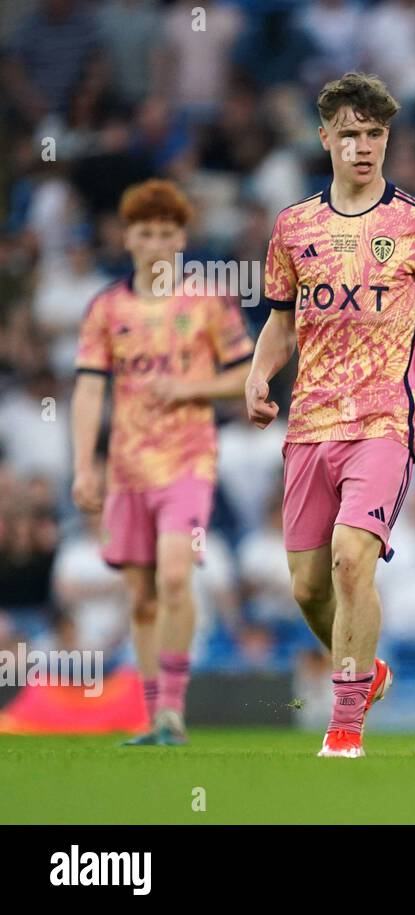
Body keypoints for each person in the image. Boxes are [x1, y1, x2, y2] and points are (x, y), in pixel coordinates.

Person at [244, 72, 415, 758]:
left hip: (383, 425)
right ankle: (369, 672)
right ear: (325, 139)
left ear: (387, 139)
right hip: (309, 425)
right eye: (351, 134)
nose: (364, 146)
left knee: (349, 562)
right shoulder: (293, 227)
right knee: (310, 587)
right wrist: (259, 375)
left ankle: (344, 727)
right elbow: (281, 325)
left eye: (375, 134)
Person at [71, 178, 255, 745]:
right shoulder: (106, 308)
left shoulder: (207, 302)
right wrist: (84, 466)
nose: (155, 242)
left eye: (166, 232)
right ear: (127, 238)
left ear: (182, 238)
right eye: (144, 232)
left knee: (177, 577)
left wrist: (189, 386)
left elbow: (245, 374)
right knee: (142, 598)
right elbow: (88, 389)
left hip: (188, 461)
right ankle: (155, 718)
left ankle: (173, 710)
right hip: (127, 468)